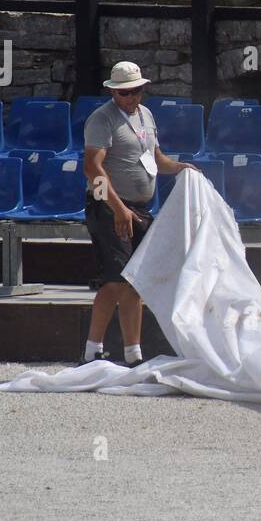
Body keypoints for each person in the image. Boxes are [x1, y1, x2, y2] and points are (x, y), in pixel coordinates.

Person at [81, 61, 194, 365]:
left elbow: (155, 158)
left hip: (140, 208)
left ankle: (132, 354)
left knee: (134, 282)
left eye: (135, 92)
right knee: (116, 280)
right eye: (123, 93)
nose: (130, 98)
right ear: (112, 92)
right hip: (109, 207)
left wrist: (180, 168)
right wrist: (117, 209)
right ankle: (93, 350)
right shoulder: (101, 119)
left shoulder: (146, 115)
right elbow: (92, 170)